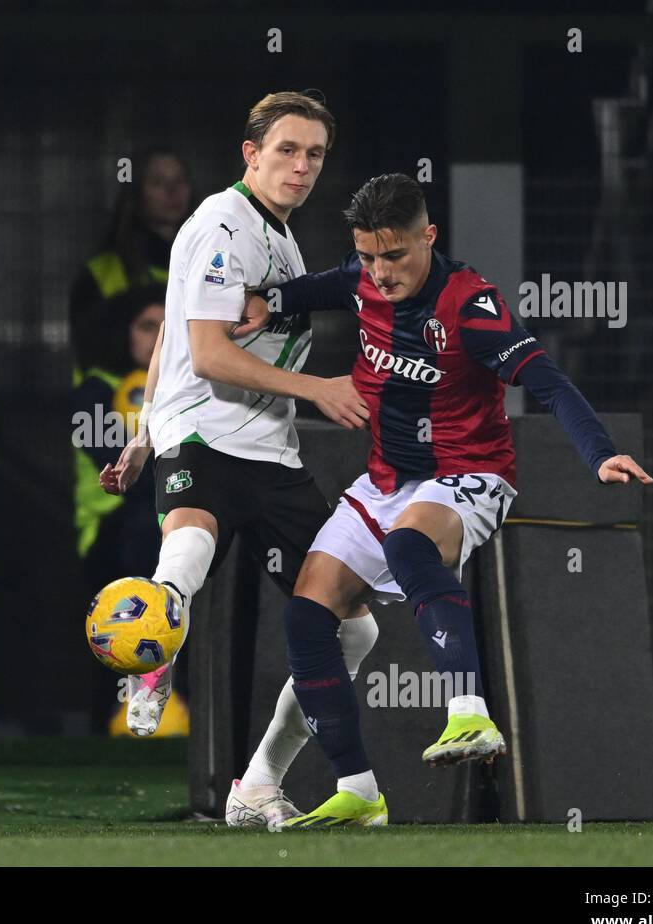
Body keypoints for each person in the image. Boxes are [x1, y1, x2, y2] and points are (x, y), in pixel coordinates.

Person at [237, 173, 653, 826]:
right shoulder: (360, 276)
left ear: (428, 237)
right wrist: (267, 299)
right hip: (387, 476)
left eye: (395, 255)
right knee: (307, 617)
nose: (380, 272)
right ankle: (359, 793)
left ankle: (470, 716)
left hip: (472, 471)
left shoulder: (469, 304)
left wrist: (599, 452)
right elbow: (316, 287)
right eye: (369, 255)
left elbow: (546, 381)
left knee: (408, 543)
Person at [101, 90, 386, 829]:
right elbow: (209, 353)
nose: (300, 166)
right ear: (250, 153)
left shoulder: (279, 237)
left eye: (314, 153)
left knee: (354, 628)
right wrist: (316, 386)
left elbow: (172, 324)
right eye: (286, 149)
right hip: (203, 432)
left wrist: (136, 431)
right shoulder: (223, 223)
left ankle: (257, 783)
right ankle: (151, 650)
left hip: (268, 448)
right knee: (190, 538)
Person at [72, 285, 168, 732]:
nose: (158, 338)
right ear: (125, 334)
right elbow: (118, 467)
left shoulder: (188, 388)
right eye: (148, 326)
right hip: (109, 532)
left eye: (167, 327)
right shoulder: (96, 389)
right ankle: (111, 718)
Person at [70, 149, 192, 374]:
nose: (172, 191)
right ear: (137, 193)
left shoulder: (205, 264)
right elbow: (88, 355)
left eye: (179, 180)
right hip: (118, 405)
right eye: (157, 182)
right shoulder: (100, 273)